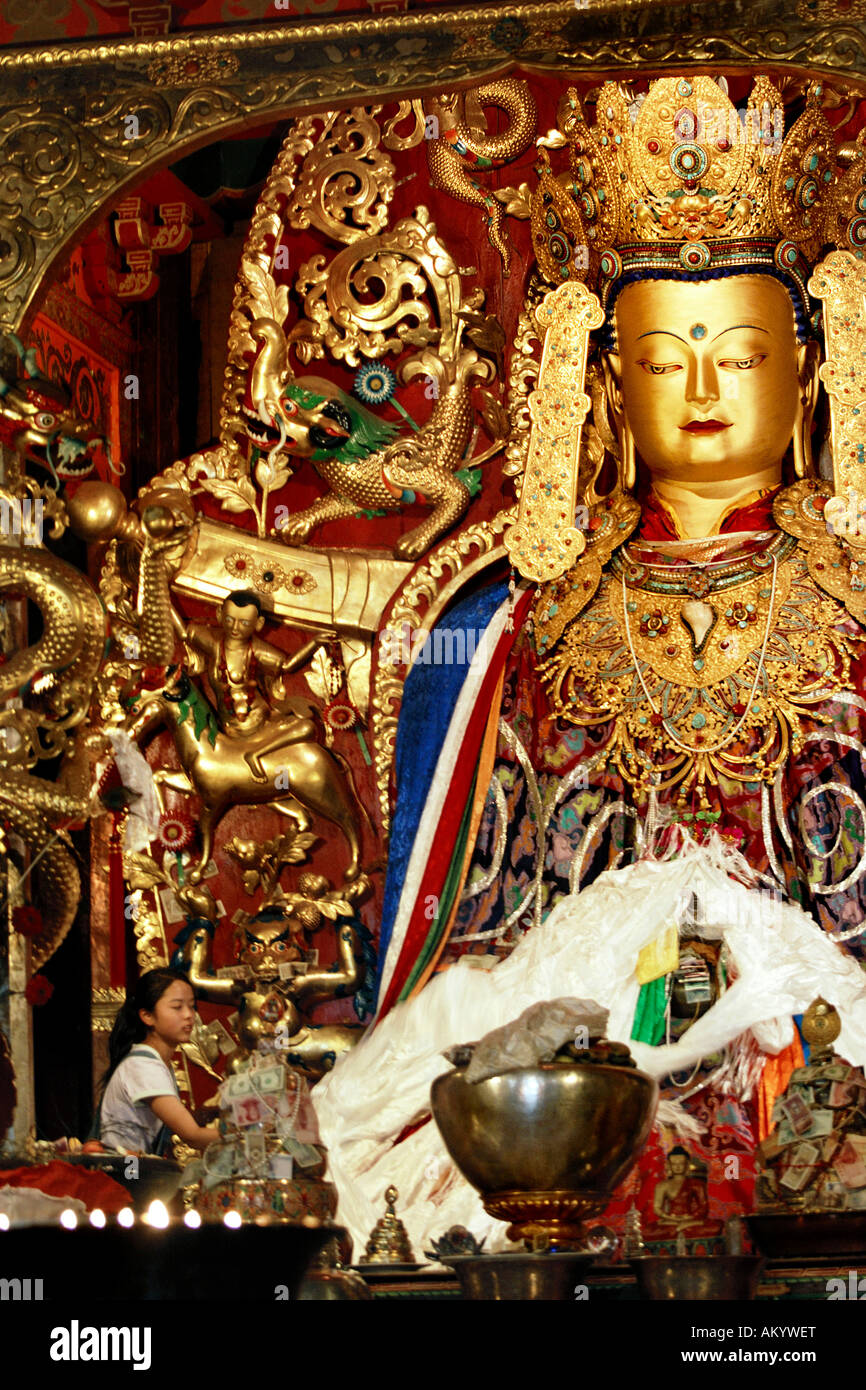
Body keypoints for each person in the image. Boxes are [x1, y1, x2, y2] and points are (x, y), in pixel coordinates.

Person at [99, 970, 219, 1155]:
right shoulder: (144, 1067)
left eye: (192, 1006)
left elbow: (181, 1126)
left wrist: (208, 1113)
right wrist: (247, 1137)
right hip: (125, 1168)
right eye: (177, 1007)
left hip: (131, 1163)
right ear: (147, 1016)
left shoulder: (153, 1061)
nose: (189, 1015)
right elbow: (192, 1136)